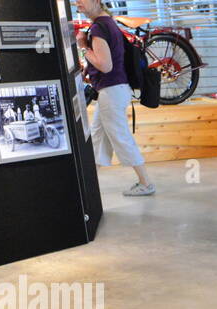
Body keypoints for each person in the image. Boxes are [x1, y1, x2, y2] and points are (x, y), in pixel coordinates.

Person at [76, 0, 154, 196]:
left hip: (111, 91)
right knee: (98, 137)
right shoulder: (108, 23)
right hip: (114, 90)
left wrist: (84, 47)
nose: (77, 3)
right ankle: (87, 184)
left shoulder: (99, 28)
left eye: (81, 0)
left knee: (120, 137)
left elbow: (105, 65)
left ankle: (146, 183)